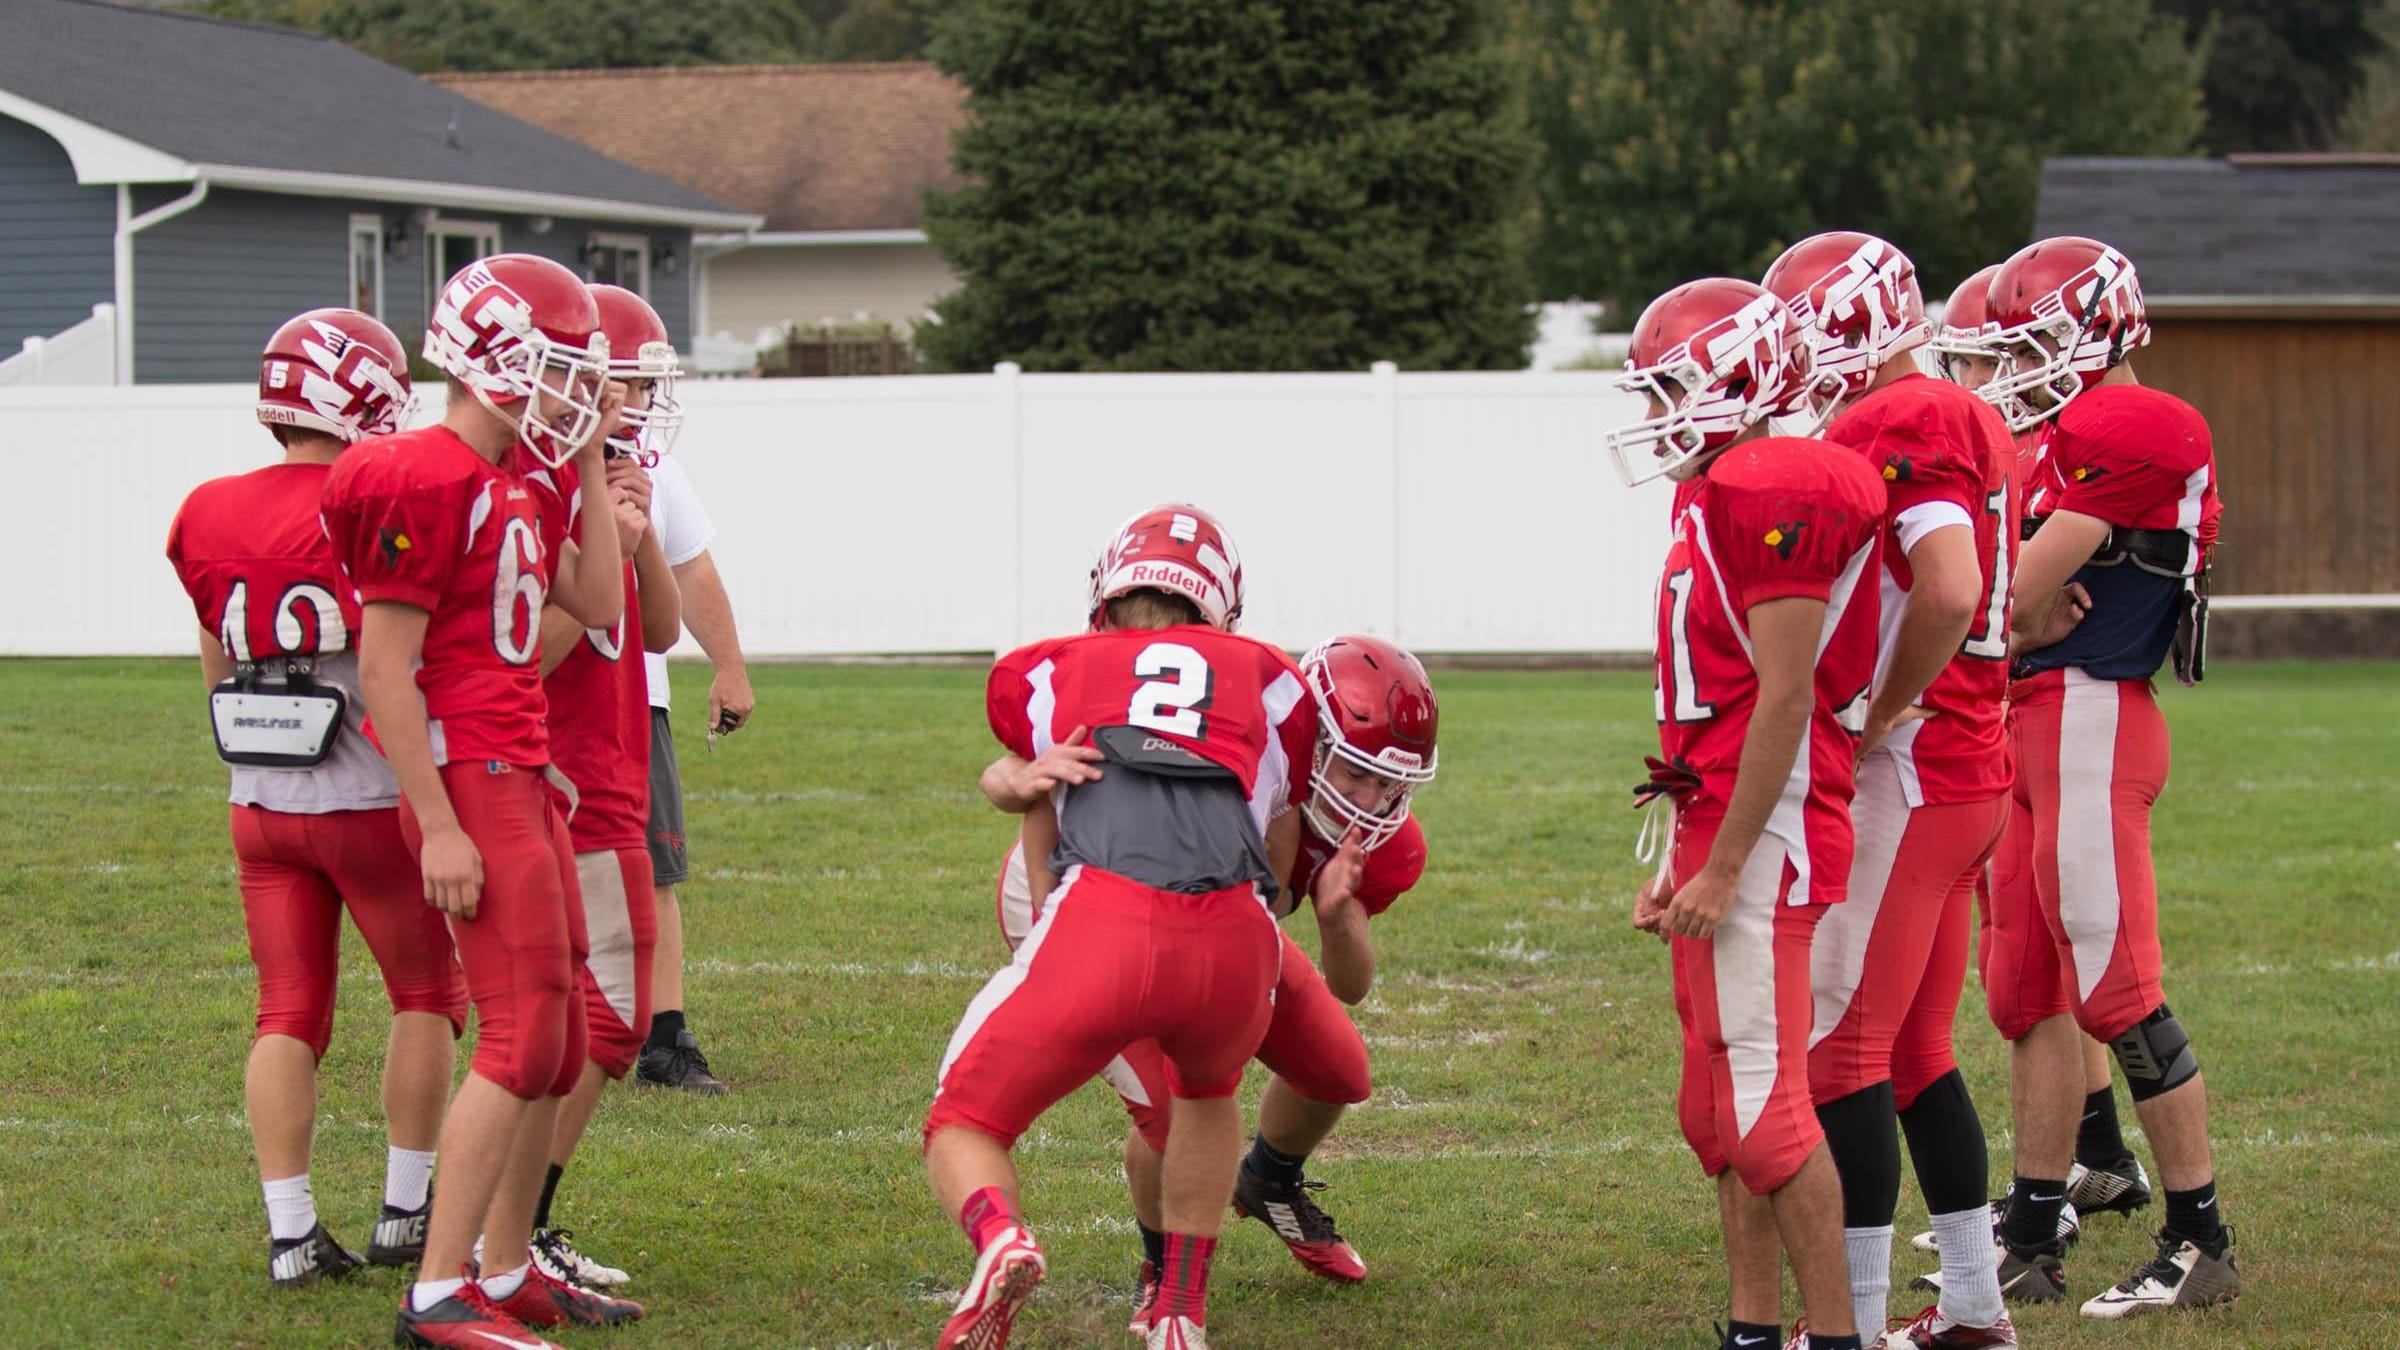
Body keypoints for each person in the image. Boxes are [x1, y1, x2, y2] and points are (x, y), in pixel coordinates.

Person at [323, 253, 641, 1348]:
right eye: (558, 370)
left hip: (522, 770)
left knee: (555, 1038)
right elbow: (382, 670)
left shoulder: (522, 475)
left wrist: (590, 458)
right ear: (494, 357)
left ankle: (505, 1273)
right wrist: (442, 823)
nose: (570, 393)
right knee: (514, 1039)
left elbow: (599, 600)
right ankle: (438, 1290)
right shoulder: (420, 472)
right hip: (470, 780)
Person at [928, 504, 1318, 1350]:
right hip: (1238, 938)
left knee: (963, 1120)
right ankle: (1180, 1310)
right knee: (1208, 1098)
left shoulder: (1049, 668)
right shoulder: (1273, 679)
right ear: (1221, 608)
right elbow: (1277, 826)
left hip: (1105, 912)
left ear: (1106, 593)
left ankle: (1003, 1237)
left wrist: (1013, 778)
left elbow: (1023, 779)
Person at [994, 634, 1438, 1311]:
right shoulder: (1233, 745)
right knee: (1173, 1113)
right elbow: (1021, 771)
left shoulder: (1387, 844)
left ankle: (1268, 1180)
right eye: (1353, 773)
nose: (1371, 802)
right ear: (1306, 741)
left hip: (1219, 915)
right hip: (1092, 903)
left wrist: (1336, 913)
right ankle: (1160, 1270)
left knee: (1338, 1072)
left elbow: (1351, 985)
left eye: (1390, 784)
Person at [1609, 277, 1886, 1350]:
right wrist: (1688, 854)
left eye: (1672, 388)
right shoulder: (1717, 487)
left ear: (1741, 380)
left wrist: (1724, 861)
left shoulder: (1777, 477)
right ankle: (1753, 1330)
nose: (1656, 416)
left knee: (1768, 1118)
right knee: (1717, 1116)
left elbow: (1785, 693)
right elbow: (1721, 699)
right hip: (1720, 817)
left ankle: (1839, 1337)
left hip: (1766, 830)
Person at [164, 308, 464, 1289]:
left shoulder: (203, 505)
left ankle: (291, 1232)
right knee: (428, 997)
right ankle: (405, 1213)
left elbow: (219, 659)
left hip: (260, 799)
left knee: (287, 1009)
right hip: (369, 793)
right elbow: (400, 649)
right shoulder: (371, 496)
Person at [1973, 235, 2239, 1319]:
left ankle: (2199, 1237)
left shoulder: (2132, 420)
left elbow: (2001, 601)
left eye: (2036, 339)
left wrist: (2013, 603)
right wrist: (2012, 604)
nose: (2018, 363)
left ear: (2100, 328)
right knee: (2029, 992)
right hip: (2034, 722)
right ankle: (2034, 1233)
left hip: (2090, 713)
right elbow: (2007, 601)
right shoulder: (2059, 435)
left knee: (2118, 991)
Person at [1763, 233, 2018, 1348]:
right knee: (1917, 1052)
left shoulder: (1898, 416)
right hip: (1972, 773)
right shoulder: (1958, 410)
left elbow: (1950, 586)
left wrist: (1873, 708)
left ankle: (1855, 1327)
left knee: (1842, 1055)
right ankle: (1973, 1309)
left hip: (1917, 772)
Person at [1933, 264, 2156, 1225]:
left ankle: (2097, 1180)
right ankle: (2094, 1161)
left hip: (2067, 705)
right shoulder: (2035, 437)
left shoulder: (2084, 439)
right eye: (1990, 358)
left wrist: (2009, 623)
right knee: (2036, 963)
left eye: (2011, 355)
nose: (1995, 378)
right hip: (2019, 707)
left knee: (2076, 960)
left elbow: (2004, 601)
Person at [517, 284, 686, 1291]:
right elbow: (521, 654)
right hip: (569, 781)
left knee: (592, 1022)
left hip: (611, 770)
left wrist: (637, 531)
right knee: (600, 1023)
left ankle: (513, 1222)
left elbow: (658, 631)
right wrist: (604, 546)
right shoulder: (532, 490)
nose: (638, 407)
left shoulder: (605, 480)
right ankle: (516, 1223)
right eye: (626, 385)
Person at [633, 445, 749, 1095]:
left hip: (632, 694)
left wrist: (728, 665)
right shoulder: (521, 450)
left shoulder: (654, 462)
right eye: (636, 383)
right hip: (537, 691)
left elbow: (690, 567)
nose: (645, 400)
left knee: (653, 869)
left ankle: (664, 1036)